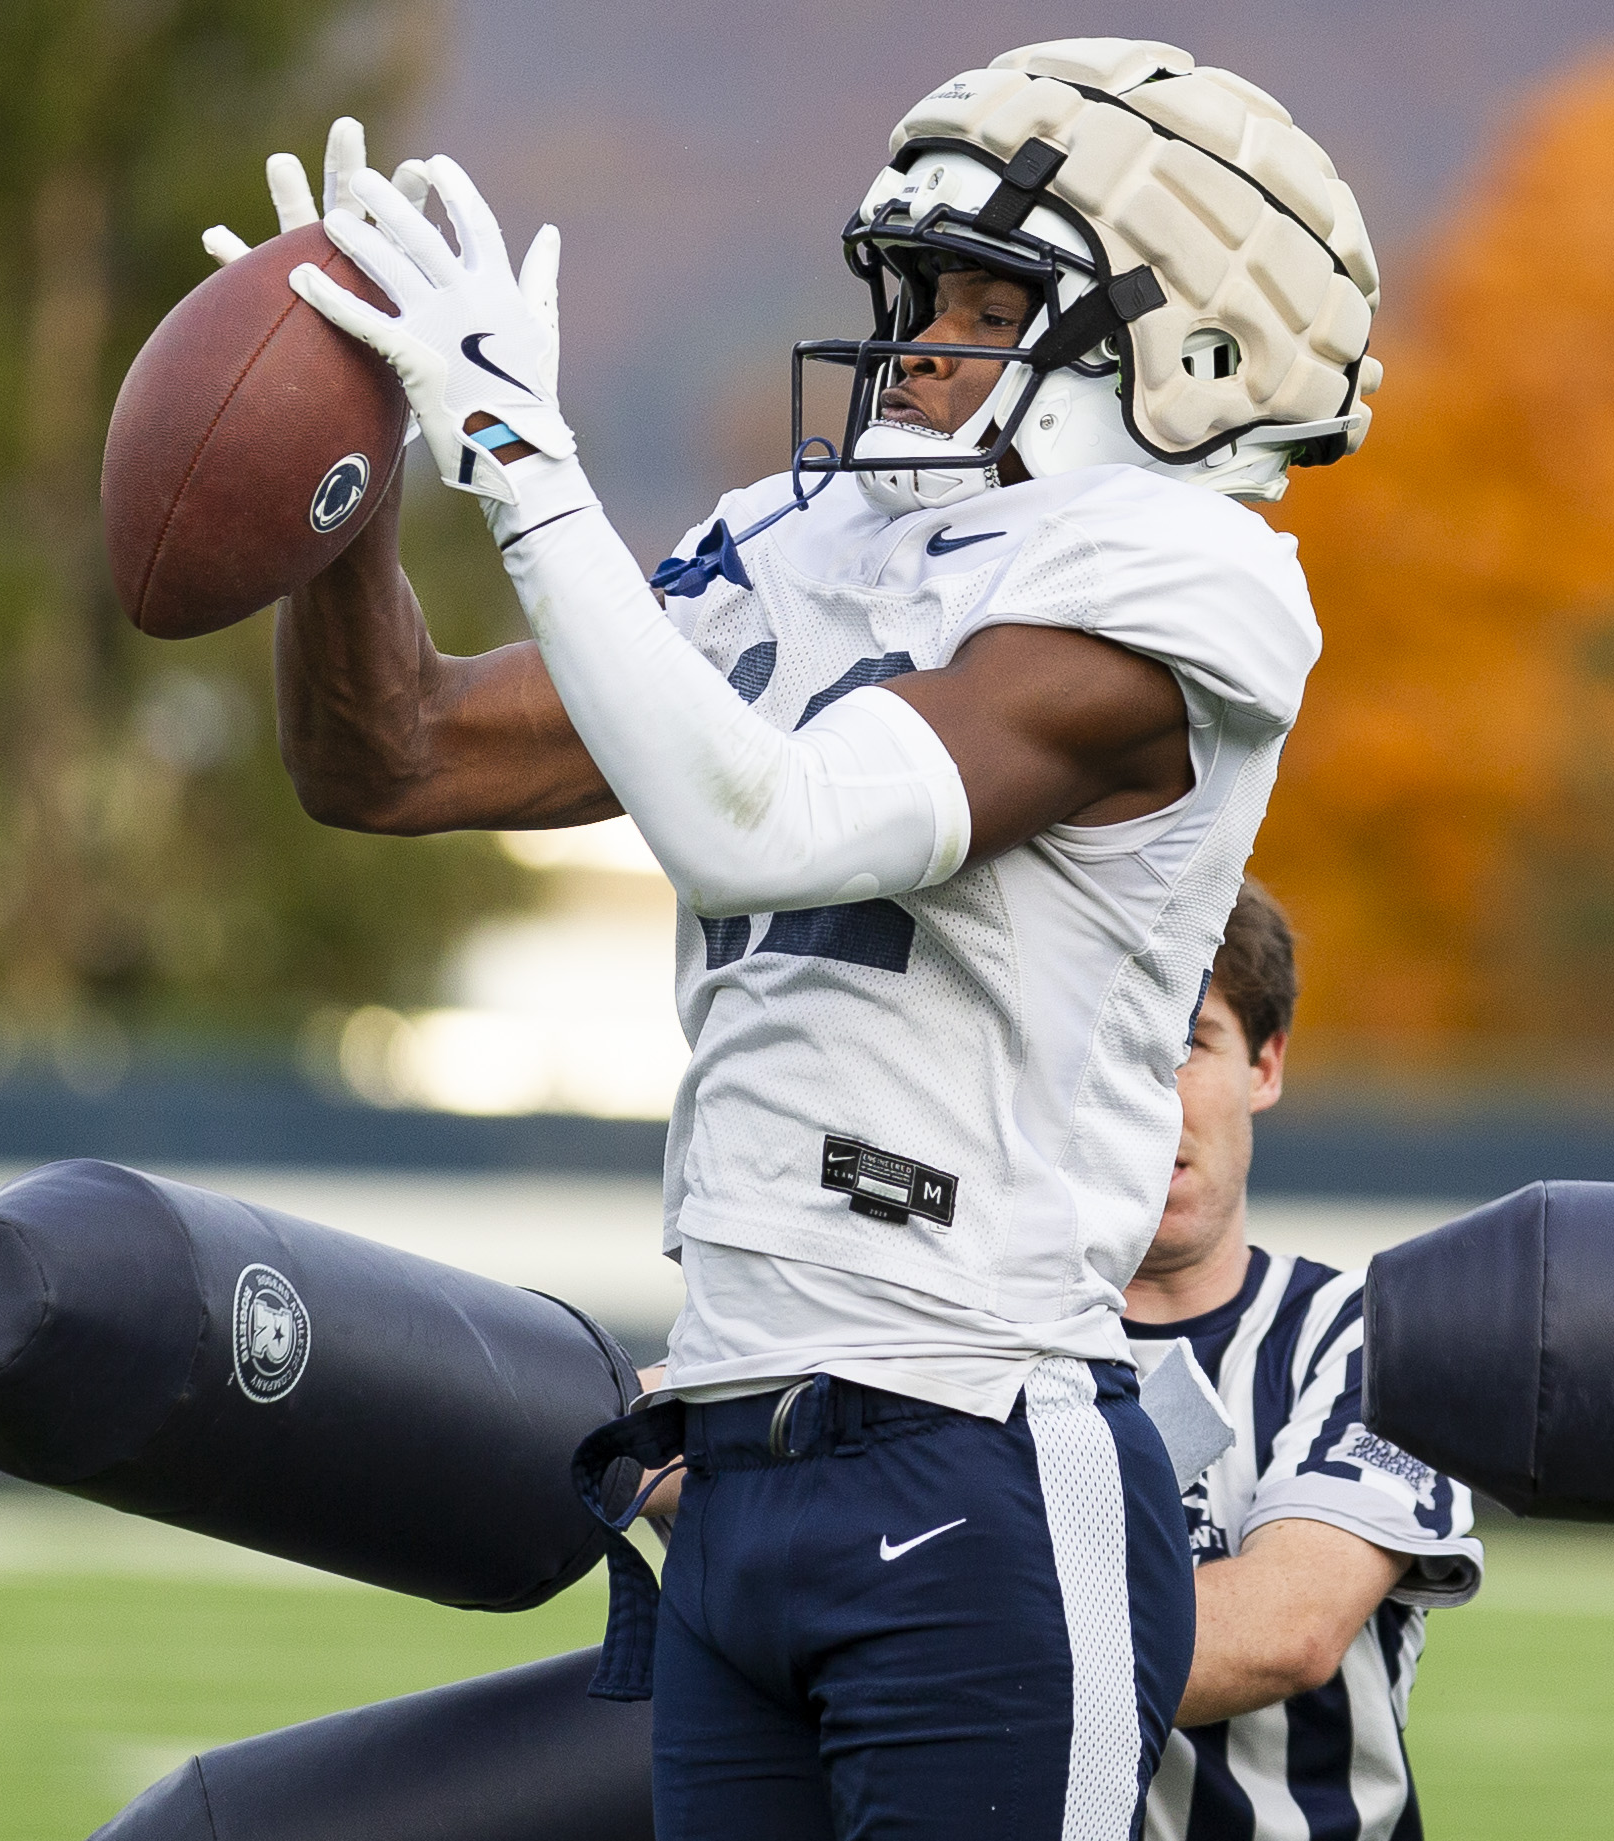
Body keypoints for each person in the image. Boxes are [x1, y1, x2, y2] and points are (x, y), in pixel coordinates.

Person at [220, 37, 1382, 1841]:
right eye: (912, 289)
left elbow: (758, 820)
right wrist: (334, 457)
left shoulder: (1183, 584)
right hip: (738, 1453)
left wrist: (520, 456)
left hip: (976, 1446)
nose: (919, 345)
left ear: (1189, 362)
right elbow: (393, 755)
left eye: (986, 300)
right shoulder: (816, 538)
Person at [1123, 882, 1480, 1841]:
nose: (1147, 1088)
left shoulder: (1375, 1335)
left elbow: (1287, 1630)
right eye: (1114, 1043)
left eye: (1189, 1041)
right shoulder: (980, 1332)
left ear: (1265, 1065)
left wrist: (933, 1632)